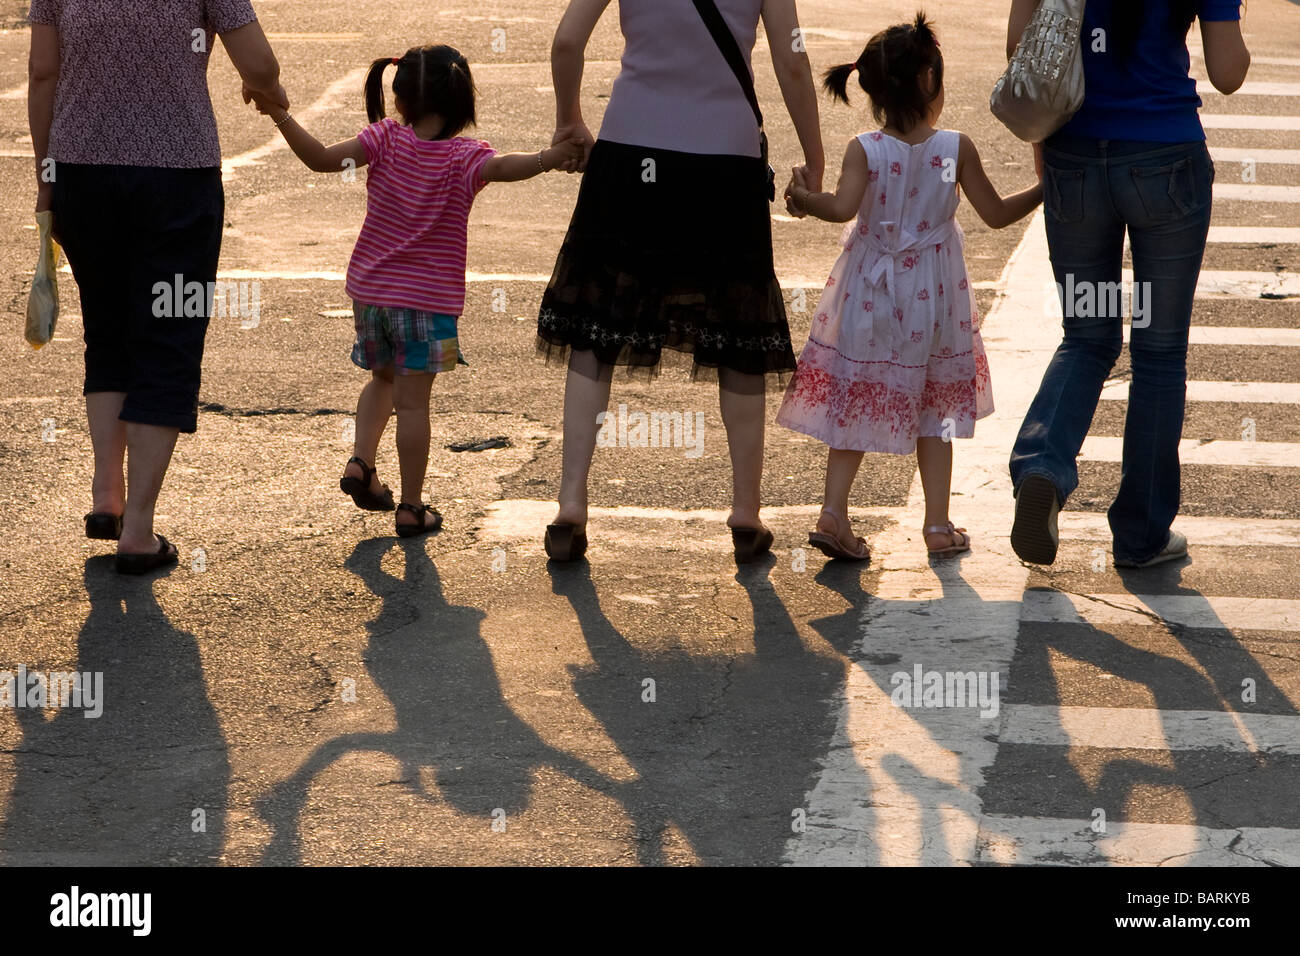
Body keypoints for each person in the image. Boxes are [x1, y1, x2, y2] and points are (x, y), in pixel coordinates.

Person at [248, 46, 583, 537]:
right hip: (427, 303)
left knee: (382, 380)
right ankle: (411, 505)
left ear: (400, 101)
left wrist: (279, 113)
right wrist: (551, 158)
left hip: (370, 294)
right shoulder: (465, 156)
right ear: (462, 101)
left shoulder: (384, 139)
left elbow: (320, 159)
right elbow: (507, 166)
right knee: (414, 404)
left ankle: (361, 461)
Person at [536, 0, 826, 563]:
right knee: (740, 336)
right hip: (724, 160)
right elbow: (793, 62)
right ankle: (745, 511)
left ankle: (571, 502)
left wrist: (569, 117)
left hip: (629, 152)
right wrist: (814, 158)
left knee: (597, 328)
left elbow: (569, 41)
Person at [27, 0, 289, 574]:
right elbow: (260, 65)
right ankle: (139, 531)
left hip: (81, 172)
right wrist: (269, 92)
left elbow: (43, 71)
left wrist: (47, 176)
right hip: (178, 179)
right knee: (167, 340)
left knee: (107, 330)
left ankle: (106, 493)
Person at [780, 13, 1043, 562]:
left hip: (867, 296)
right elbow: (994, 215)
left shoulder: (865, 149)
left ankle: (833, 513)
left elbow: (841, 208)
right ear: (930, 81)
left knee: (855, 398)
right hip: (935, 300)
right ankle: (938, 525)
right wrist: (1044, 188)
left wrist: (804, 200)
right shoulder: (955, 148)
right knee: (936, 408)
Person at [1006, 0, 1250, 568]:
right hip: (1166, 159)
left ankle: (1042, 465)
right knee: (1159, 354)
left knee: (1087, 337)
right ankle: (1141, 535)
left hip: (1075, 154)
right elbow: (1228, 73)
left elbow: (1022, 47)